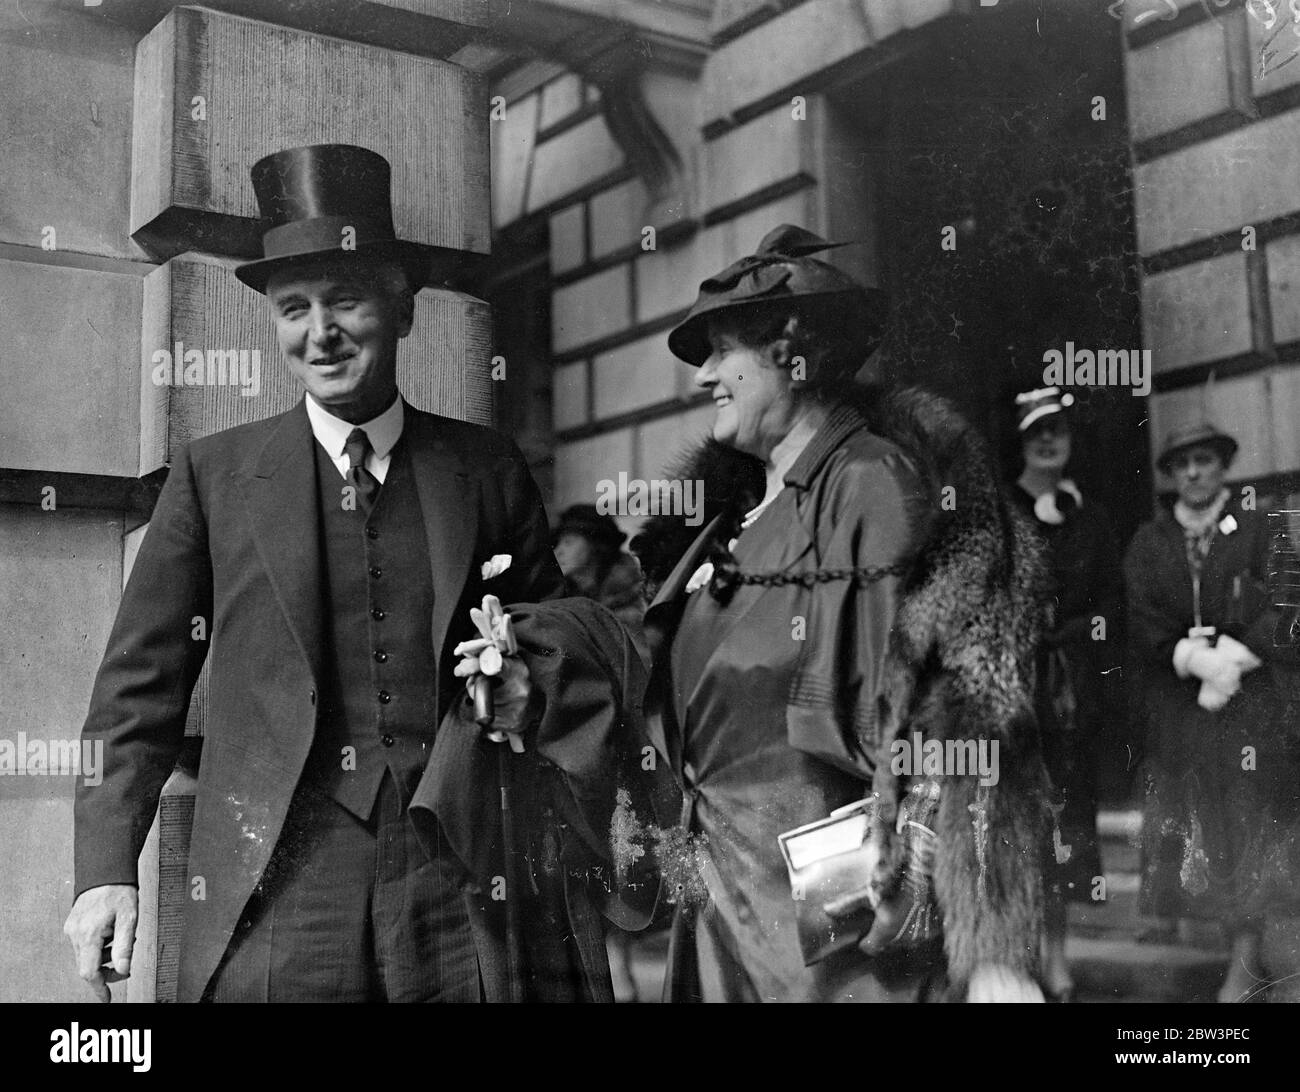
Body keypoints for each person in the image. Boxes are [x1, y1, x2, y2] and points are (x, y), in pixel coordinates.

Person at [62, 145, 575, 1002]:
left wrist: (529, 682)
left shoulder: (484, 467)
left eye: (346, 300)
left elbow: (557, 631)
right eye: (294, 308)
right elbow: (136, 691)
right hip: (280, 880)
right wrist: (104, 870)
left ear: (403, 311)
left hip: (454, 876)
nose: (320, 333)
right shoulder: (215, 475)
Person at [630, 225, 1055, 1002]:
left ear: (794, 355)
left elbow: (939, 708)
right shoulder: (738, 517)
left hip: (835, 937)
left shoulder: (868, 482)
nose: (705, 378)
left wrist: (991, 940)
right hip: (732, 916)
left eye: (725, 352)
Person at [1124, 422, 1300, 1002]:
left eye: (1204, 460)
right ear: (1171, 475)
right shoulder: (1151, 542)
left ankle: (1251, 961)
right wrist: (1189, 659)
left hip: (1249, 710)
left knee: (1250, 824)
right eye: (1182, 464)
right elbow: (1140, 614)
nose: (1194, 473)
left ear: (1223, 466)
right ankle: (1235, 952)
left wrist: (1233, 658)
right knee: (1208, 834)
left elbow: (1285, 602)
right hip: (1184, 714)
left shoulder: (1253, 528)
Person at [1008, 387, 1122, 1003]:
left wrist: (1079, 642)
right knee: (1014, 820)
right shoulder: (1001, 509)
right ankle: (1012, 956)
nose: (1048, 442)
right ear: (1022, 443)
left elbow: (1110, 601)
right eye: (1035, 434)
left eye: (1058, 431)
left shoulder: (1090, 517)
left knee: (1065, 823)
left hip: (1068, 693)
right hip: (1013, 695)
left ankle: (1055, 955)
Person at [552, 504, 648, 657]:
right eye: (559, 543)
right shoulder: (565, 597)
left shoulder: (635, 598)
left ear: (595, 545)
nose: (559, 551)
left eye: (569, 542)